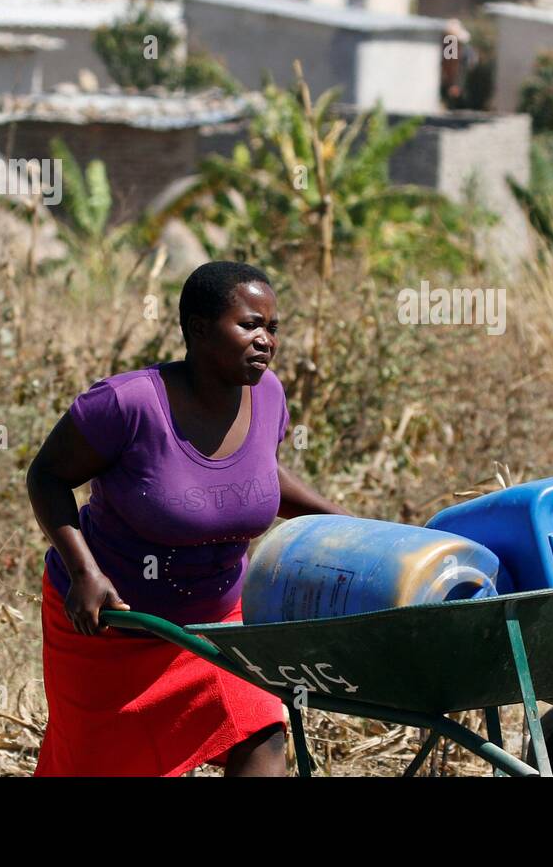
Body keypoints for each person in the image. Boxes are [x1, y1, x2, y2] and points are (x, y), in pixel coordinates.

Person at [27, 261, 349, 777]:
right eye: (250, 325)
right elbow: (46, 476)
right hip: (112, 626)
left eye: (273, 327)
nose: (266, 340)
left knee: (262, 733)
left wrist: (347, 523)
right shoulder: (127, 404)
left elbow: (258, 474)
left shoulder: (268, 395)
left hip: (217, 628)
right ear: (199, 328)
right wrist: (85, 572)